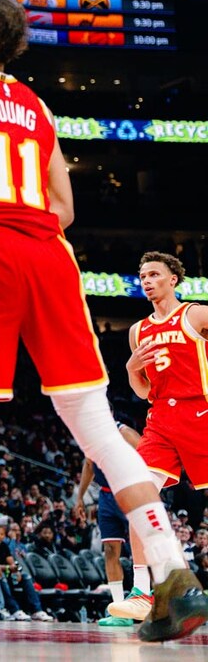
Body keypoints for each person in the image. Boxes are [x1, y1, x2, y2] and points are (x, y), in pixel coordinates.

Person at [0, 0, 208, 642]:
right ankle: (176, 573)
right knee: (95, 424)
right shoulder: (36, 107)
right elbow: (65, 206)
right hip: (50, 256)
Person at [109, 251, 208, 626]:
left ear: (173, 280)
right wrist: (132, 369)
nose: (146, 280)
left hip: (200, 412)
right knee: (138, 492)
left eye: (154, 274)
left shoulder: (195, 314)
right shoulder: (138, 330)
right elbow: (141, 390)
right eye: (142, 275)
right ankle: (141, 591)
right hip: (161, 417)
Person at [75, 421, 143, 625]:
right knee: (111, 551)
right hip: (106, 496)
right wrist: (80, 497)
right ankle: (120, 612)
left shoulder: (125, 433)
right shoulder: (90, 436)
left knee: (141, 550)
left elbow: (149, 455)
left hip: (128, 491)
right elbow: (88, 465)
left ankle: (153, 603)